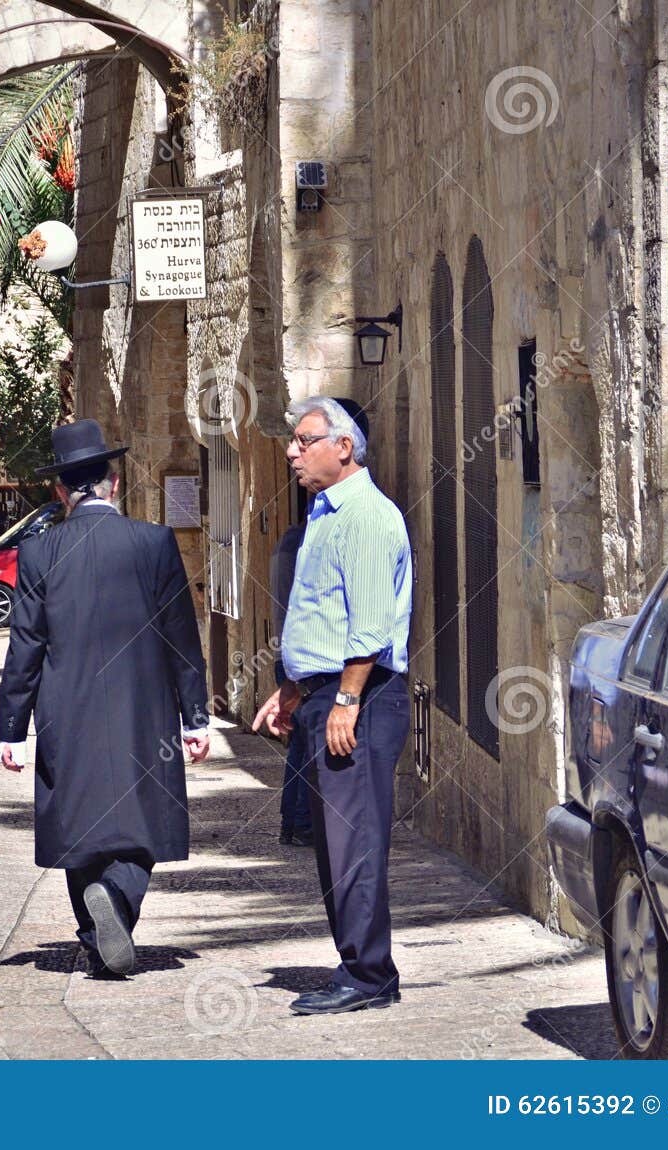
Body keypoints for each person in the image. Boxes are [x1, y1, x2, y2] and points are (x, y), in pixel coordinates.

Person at [0, 419, 211, 977]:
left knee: (78, 822)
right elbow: (181, 638)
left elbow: (26, 645)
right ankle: (115, 898)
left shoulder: (39, 554)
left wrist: (12, 729)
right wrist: (196, 716)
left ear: (60, 490)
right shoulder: (155, 542)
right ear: (114, 483)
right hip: (145, 712)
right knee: (141, 821)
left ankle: (98, 925)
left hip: (66, 710)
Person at [253, 395, 412, 1016]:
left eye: (304, 439)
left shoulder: (366, 517)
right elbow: (324, 615)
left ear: (342, 447)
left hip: (363, 700)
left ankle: (367, 974)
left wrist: (344, 699)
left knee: (355, 841)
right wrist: (293, 692)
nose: (292, 451)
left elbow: (368, 626)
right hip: (330, 696)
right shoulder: (325, 514)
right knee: (334, 843)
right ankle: (364, 966)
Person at [270, 511, 314, 848]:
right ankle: (302, 823)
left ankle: (292, 822)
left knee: (299, 745)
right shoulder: (306, 544)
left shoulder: (286, 541)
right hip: (303, 659)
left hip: (286, 656)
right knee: (308, 746)